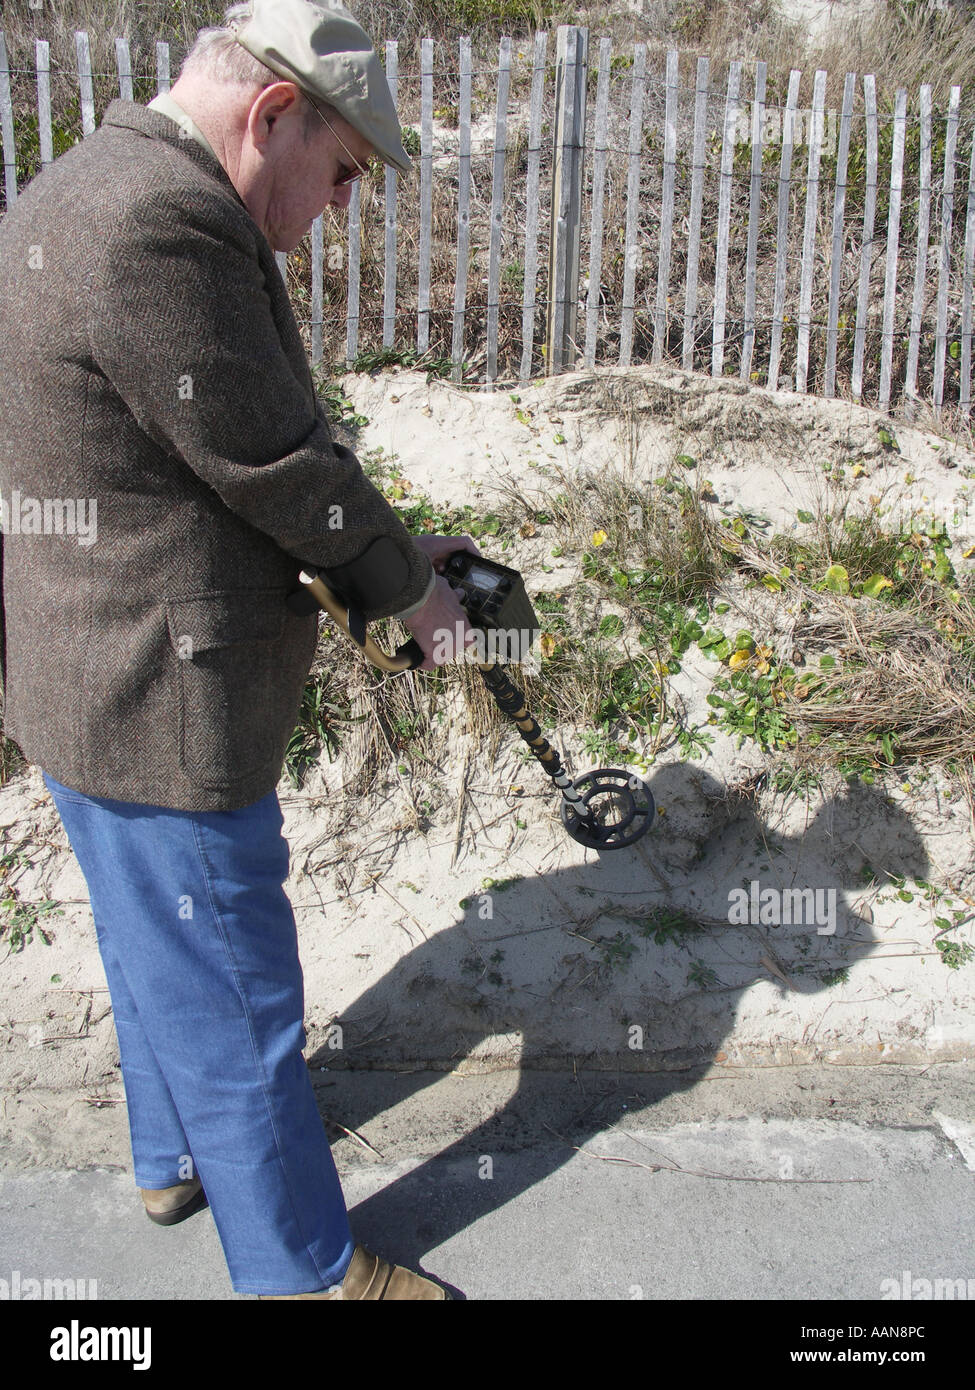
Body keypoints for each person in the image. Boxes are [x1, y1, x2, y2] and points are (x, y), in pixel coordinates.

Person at [0, 0, 480, 1300]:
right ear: (271, 115)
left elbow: (217, 446)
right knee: (238, 1005)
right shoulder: (162, 224)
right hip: (163, 702)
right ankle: (311, 1275)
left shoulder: (82, 183)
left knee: (149, 939)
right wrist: (407, 598)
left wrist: (385, 547)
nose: (332, 210)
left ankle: (168, 1159)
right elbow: (272, 462)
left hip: (77, 677)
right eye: (336, 176)